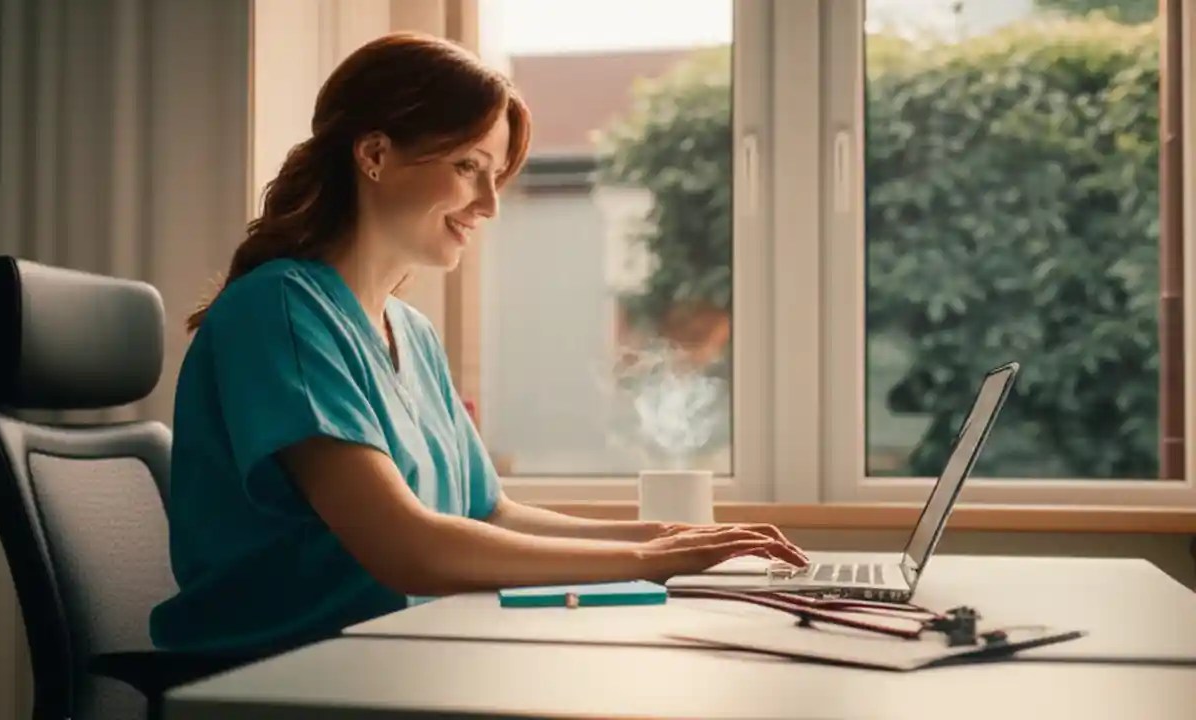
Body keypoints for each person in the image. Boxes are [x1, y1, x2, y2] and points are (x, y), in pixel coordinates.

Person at [149, 31, 808, 657]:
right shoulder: (281, 310)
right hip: (278, 678)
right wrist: (647, 561)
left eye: (495, 173)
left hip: (393, 655)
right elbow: (409, 548)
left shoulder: (411, 331)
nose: (489, 203)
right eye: (469, 166)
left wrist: (673, 539)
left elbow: (490, 514)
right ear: (373, 155)